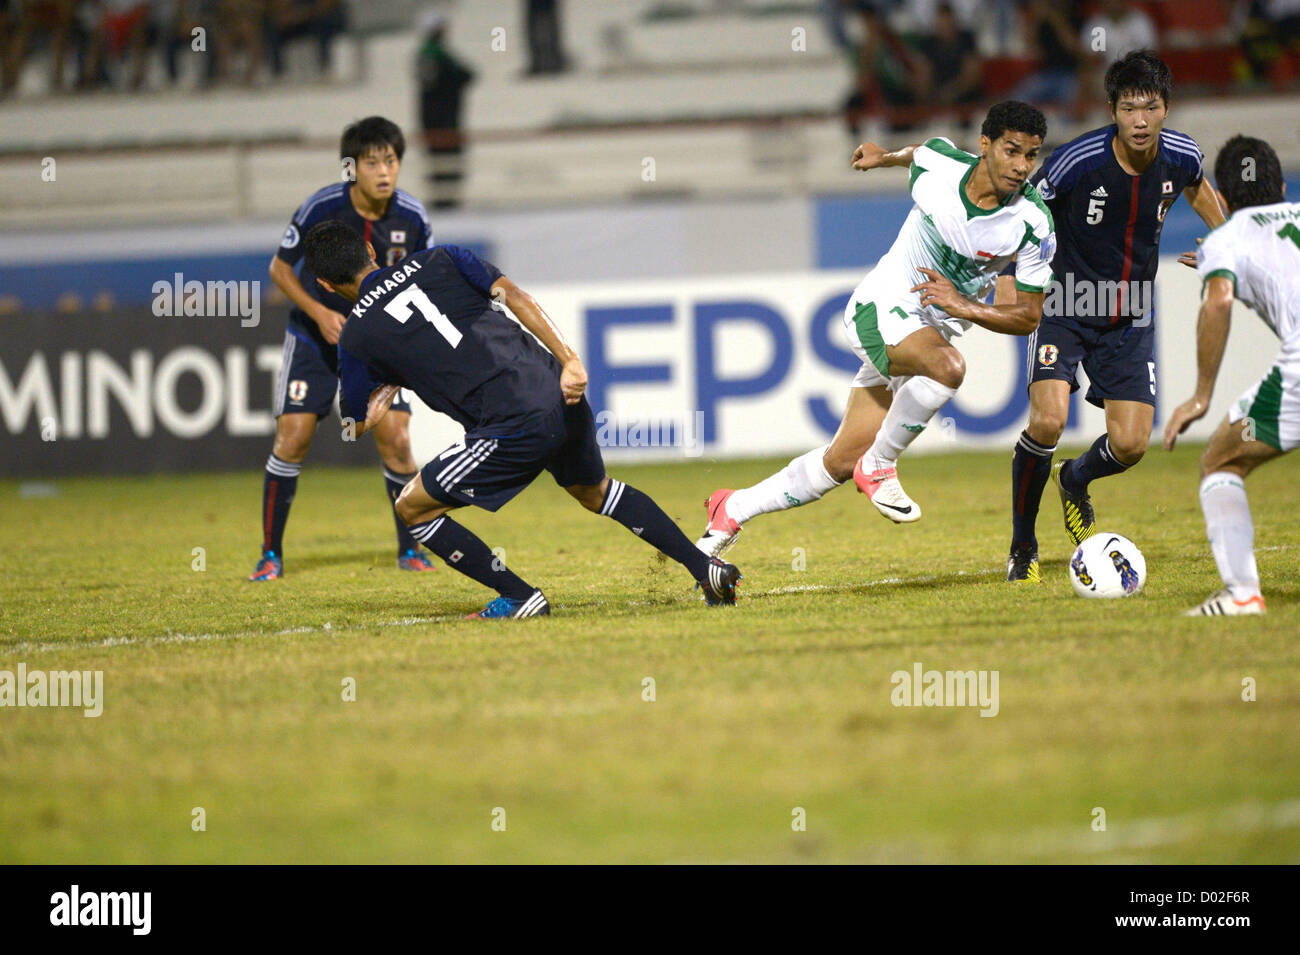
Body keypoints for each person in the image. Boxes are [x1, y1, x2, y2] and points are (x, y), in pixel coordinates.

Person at [300, 222, 742, 618]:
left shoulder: (357, 334)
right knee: (595, 491)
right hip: (557, 391)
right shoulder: (444, 257)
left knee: (411, 508)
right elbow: (516, 297)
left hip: (510, 425)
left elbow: (352, 424)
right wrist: (569, 361)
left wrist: (376, 404)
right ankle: (705, 569)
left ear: (324, 283)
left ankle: (517, 596)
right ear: (370, 250)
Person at [697, 101, 1055, 559]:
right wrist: (883, 156)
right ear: (984, 146)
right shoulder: (942, 165)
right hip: (879, 306)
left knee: (840, 462)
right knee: (948, 367)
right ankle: (882, 464)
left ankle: (731, 509)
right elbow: (919, 151)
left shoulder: (1033, 223)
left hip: (922, 332)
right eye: (1012, 151)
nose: (1022, 166)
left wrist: (962, 305)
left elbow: (1028, 316)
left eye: (1032, 155)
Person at [1004, 51, 1225, 583]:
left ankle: (1074, 480)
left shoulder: (1182, 156)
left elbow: (1200, 189)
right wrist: (1012, 280)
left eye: (1150, 108)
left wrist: (1229, 242)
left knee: (1130, 445)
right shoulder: (1077, 161)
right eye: (1129, 109)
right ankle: (1024, 549)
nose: (1141, 121)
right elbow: (1026, 212)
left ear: (1166, 109)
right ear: (1112, 111)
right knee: (1048, 420)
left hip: (1129, 314)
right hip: (1066, 303)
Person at [251, 117, 436, 581]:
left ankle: (410, 549)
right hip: (316, 337)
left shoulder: (412, 217)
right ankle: (270, 555)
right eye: (372, 161)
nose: (384, 171)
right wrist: (319, 312)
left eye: (391, 161)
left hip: (379, 345)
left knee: (395, 440)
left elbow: (426, 278)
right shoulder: (322, 207)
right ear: (352, 168)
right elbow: (279, 269)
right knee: (293, 437)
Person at [1163, 135, 1297, 616]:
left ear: (1221, 197)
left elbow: (1218, 301)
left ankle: (1243, 595)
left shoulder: (1226, 241)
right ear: (1281, 185)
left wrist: (1201, 395)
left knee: (1221, 462)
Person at [416, 11, 475, 210]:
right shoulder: (439, 55)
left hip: (430, 116)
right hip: (446, 116)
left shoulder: (423, 55)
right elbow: (466, 74)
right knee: (448, 156)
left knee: (436, 158)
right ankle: (447, 200)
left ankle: (442, 198)